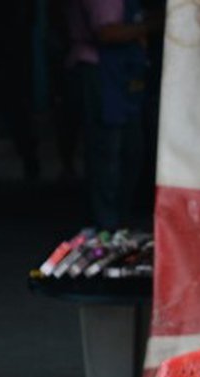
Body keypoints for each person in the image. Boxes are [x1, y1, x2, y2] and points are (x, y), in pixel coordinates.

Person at [65, 0, 163, 228]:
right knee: (107, 151)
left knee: (131, 149)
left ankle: (119, 217)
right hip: (102, 70)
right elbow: (107, 33)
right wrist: (151, 26)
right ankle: (106, 223)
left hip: (123, 72)